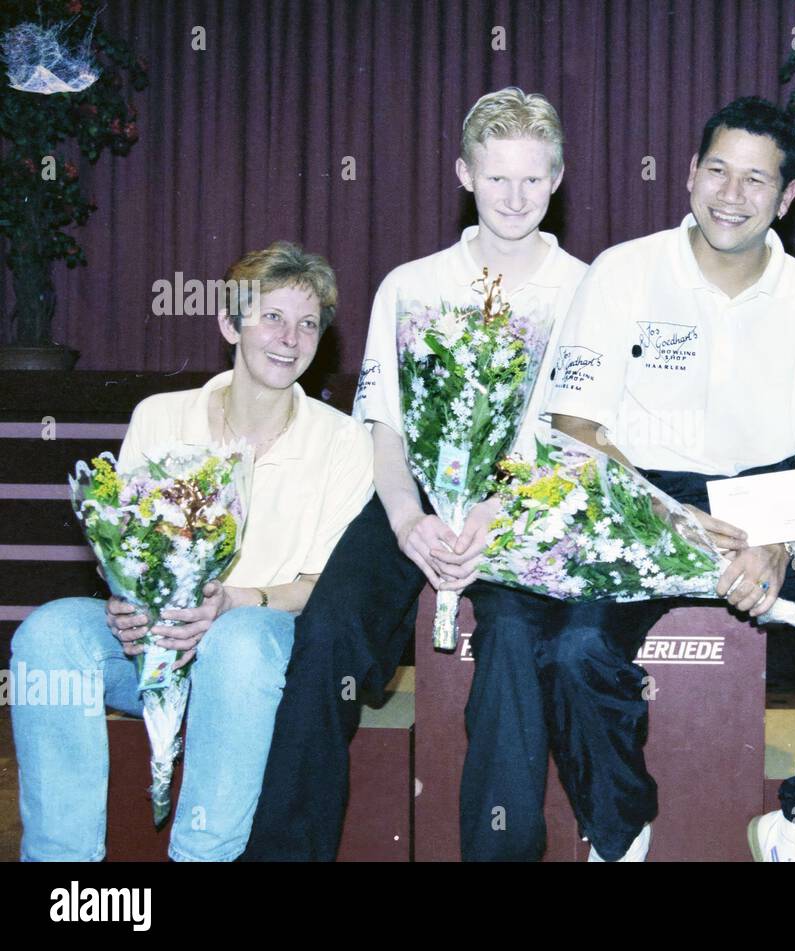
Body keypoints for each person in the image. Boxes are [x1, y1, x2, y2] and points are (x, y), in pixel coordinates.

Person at [530, 96, 795, 862]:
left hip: (777, 496)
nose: (731, 193)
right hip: (640, 492)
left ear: (786, 199)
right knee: (573, 649)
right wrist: (665, 515)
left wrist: (778, 541)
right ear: (689, 174)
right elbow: (577, 429)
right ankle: (619, 829)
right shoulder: (623, 272)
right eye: (717, 170)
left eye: (756, 180)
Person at [240, 87, 587, 861]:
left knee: (511, 642)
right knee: (327, 627)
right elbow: (385, 427)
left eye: (533, 179)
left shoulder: (587, 290)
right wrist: (404, 520)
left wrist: (501, 510)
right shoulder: (411, 284)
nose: (515, 197)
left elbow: (576, 435)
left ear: (559, 180)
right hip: (416, 492)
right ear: (464, 174)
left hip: (530, 503)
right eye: (497, 177)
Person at [11, 241, 373, 861]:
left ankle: (203, 856)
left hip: (260, 653)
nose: (291, 338)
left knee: (237, 641)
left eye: (308, 323)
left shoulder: (343, 442)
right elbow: (122, 545)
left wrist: (235, 600)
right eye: (272, 317)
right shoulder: (160, 415)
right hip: (155, 648)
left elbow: (321, 588)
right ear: (230, 322)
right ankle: (60, 867)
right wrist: (127, 604)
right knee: (46, 635)